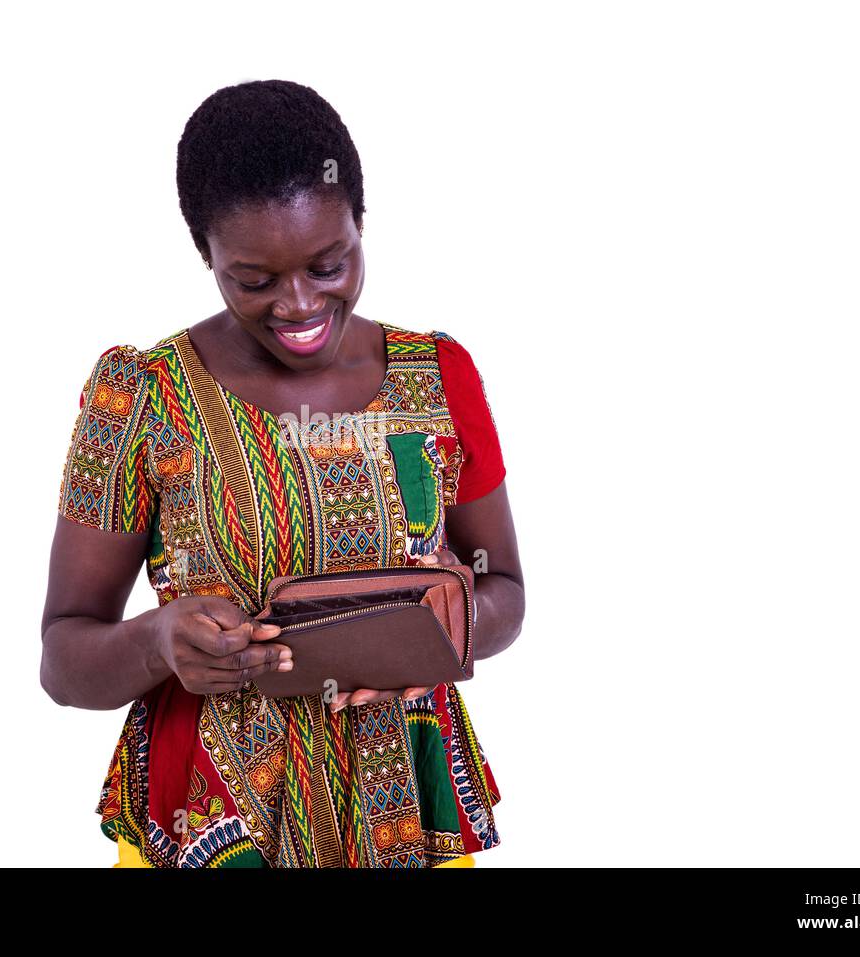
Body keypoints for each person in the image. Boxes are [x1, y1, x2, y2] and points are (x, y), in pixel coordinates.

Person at [40, 79, 525, 868]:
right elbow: (65, 658)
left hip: (406, 810)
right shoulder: (139, 396)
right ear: (206, 255)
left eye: (329, 264)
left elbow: (504, 587)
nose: (300, 304)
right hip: (215, 819)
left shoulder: (439, 375)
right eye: (254, 280)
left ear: (360, 225)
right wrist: (162, 639)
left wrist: (446, 626)